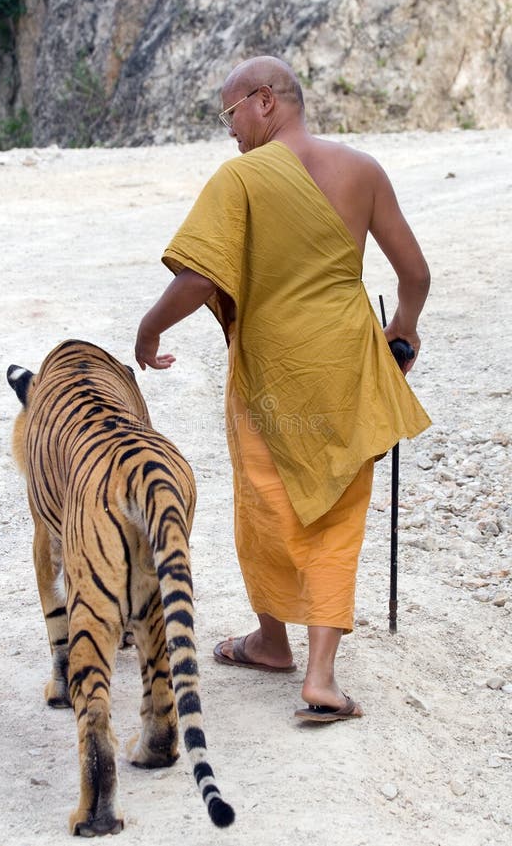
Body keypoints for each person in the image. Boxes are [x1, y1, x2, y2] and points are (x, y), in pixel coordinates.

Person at [135, 55, 431, 723]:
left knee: (265, 502)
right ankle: (320, 677)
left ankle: (272, 642)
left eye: (231, 113)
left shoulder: (241, 177)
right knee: (336, 514)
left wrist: (148, 331)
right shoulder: (363, 170)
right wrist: (403, 331)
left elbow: (198, 279)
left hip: (272, 368)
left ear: (264, 100)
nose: (230, 130)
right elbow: (415, 274)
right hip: (349, 366)